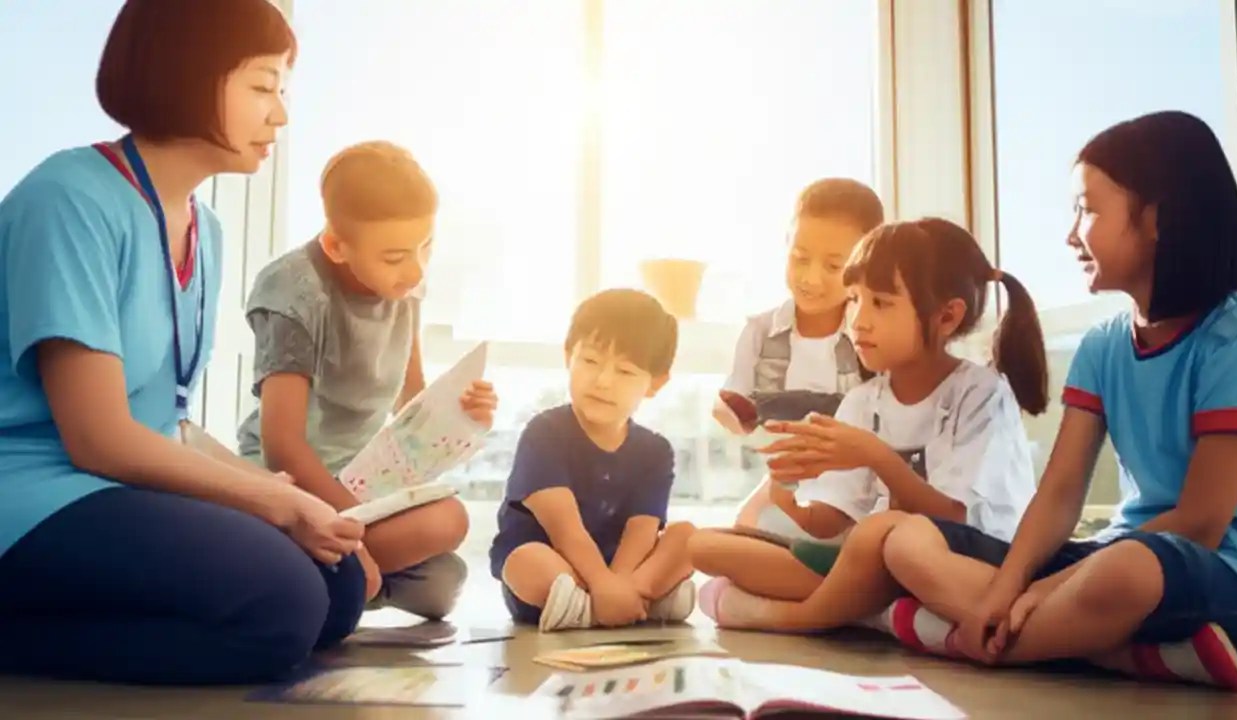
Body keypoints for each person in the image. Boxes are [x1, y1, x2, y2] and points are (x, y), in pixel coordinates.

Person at [0, 0, 367, 685]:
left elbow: (167, 421)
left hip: (110, 484)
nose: (280, 116)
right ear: (188, 75)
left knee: (338, 587)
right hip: (32, 488)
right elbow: (100, 437)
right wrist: (276, 503)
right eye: (263, 86)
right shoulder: (70, 198)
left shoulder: (206, 230)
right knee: (282, 608)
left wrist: (272, 487)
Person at [877, 111, 1237, 693]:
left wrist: (1044, 590)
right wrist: (1011, 583)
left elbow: (1201, 522)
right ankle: (1116, 651)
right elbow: (1062, 490)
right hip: (1114, 559)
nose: (1071, 233)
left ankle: (970, 642)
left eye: (1087, 209)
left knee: (1128, 571)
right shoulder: (1103, 344)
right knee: (909, 539)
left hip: (1229, 583)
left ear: (1159, 219)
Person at [692, 218, 1046, 630]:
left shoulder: (981, 394)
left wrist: (875, 456)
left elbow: (954, 519)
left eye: (880, 302)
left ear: (947, 317)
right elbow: (830, 522)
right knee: (702, 545)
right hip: (871, 563)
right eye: (855, 299)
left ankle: (806, 617)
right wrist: (786, 487)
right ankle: (884, 614)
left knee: (888, 532)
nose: (858, 320)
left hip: (964, 561)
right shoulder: (863, 401)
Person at [237, 141, 493, 619]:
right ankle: (313, 571)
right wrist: (350, 527)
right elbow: (281, 444)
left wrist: (461, 415)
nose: (415, 269)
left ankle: (323, 579)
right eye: (396, 256)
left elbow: (410, 401)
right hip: (289, 485)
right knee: (438, 548)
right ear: (336, 245)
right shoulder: (293, 291)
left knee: (444, 579)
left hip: (358, 481)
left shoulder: (403, 284)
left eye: (426, 246)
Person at [489, 289, 697, 632]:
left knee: (688, 537)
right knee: (527, 562)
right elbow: (565, 530)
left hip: (620, 571)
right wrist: (602, 583)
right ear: (568, 356)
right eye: (590, 361)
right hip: (556, 569)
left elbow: (641, 531)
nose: (603, 382)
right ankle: (627, 605)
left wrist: (619, 582)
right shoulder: (545, 432)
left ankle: (626, 598)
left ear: (655, 383)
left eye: (625, 372)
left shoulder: (655, 450)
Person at [716, 178, 883, 539]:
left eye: (833, 266)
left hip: (858, 491)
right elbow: (731, 403)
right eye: (800, 258)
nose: (811, 278)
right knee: (738, 538)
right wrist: (736, 416)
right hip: (784, 481)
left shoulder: (872, 336)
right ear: (785, 245)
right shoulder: (761, 331)